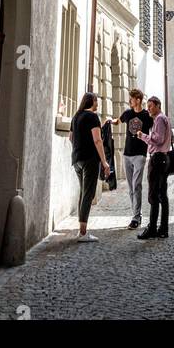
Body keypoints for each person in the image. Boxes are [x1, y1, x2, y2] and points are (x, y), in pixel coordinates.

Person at [70, 91, 110, 242]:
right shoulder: (93, 117)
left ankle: (81, 229)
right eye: (96, 100)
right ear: (91, 101)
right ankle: (82, 233)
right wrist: (105, 162)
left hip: (77, 159)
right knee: (88, 194)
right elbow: (97, 140)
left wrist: (79, 148)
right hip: (90, 160)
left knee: (84, 193)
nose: (97, 103)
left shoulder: (76, 116)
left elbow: (71, 137)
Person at [134, 95, 172, 240]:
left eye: (150, 106)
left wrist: (143, 136)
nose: (148, 109)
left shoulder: (159, 119)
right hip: (164, 158)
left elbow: (158, 139)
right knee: (162, 195)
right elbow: (171, 138)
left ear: (157, 105)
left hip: (157, 159)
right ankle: (163, 229)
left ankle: (152, 229)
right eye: (148, 106)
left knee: (153, 195)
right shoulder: (165, 118)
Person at [118, 88, 153, 230]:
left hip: (140, 154)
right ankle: (136, 214)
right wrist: (109, 122)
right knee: (131, 187)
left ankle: (136, 217)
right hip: (126, 154)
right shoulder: (127, 113)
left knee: (136, 185)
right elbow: (117, 121)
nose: (129, 101)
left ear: (137, 100)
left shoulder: (146, 116)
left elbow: (156, 126)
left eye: (131, 98)